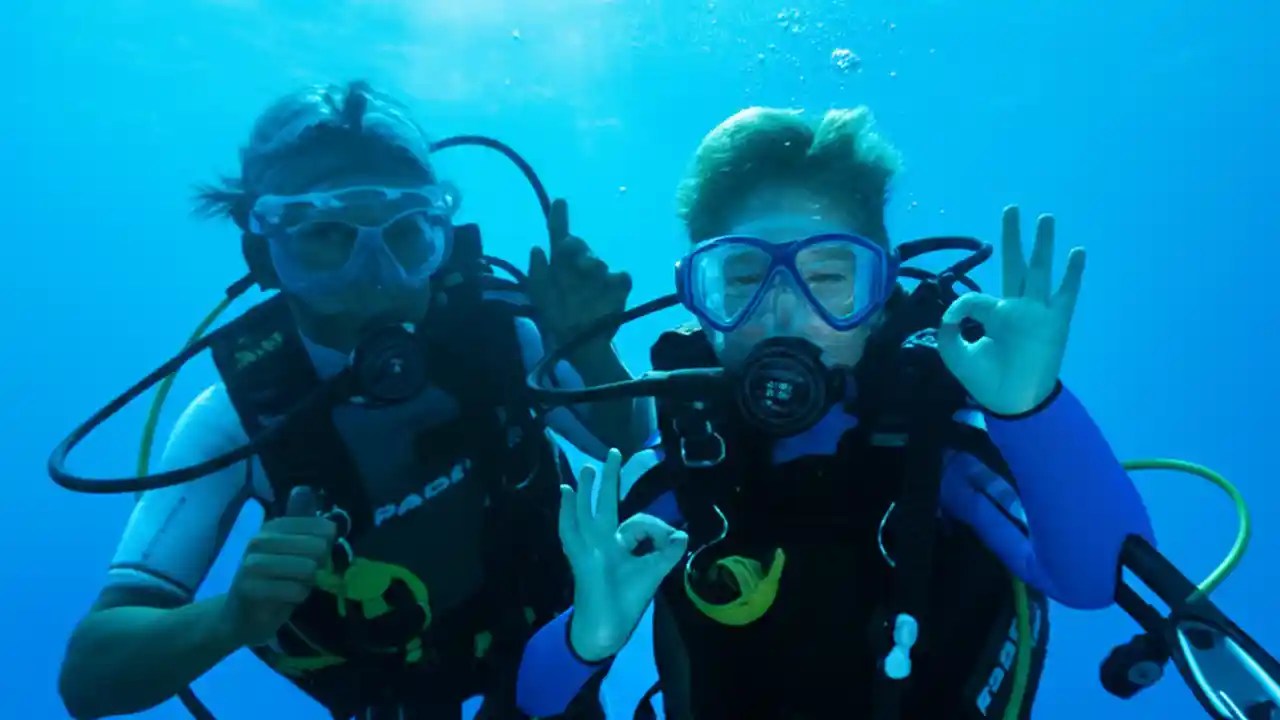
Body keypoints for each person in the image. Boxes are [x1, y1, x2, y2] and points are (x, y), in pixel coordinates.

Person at [513, 106, 1158, 720]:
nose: (783, 310)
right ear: (700, 307)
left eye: (828, 278)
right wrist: (585, 639)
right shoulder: (687, 464)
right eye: (741, 280)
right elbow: (536, 698)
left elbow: (1094, 578)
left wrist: (1032, 411)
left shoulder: (930, 443)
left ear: (879, 300)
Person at [57, 81, 651, 720]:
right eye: (328, 236)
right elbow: (90, 676)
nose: (376, 277)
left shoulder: (502, 335)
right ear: (265, 254)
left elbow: (624, 442)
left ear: (439, 238)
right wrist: (228, 619)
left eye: (405, 236)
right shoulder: (238, 416)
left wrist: (590, 351)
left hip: (542, 641)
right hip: (381, 680)